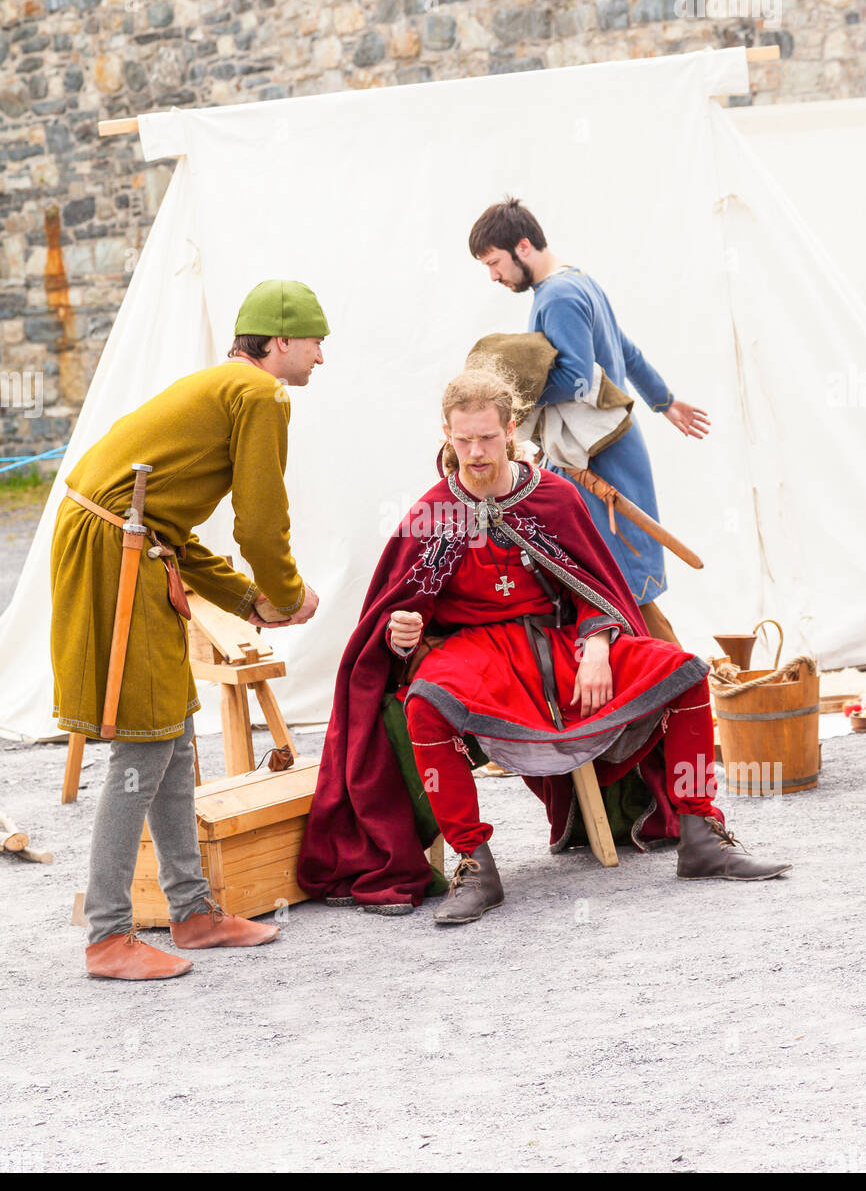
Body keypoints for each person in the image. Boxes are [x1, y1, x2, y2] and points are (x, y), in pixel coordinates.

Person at [298, 367, 790, 922]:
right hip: (477, 655)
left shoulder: (554, 496)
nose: (476, 452)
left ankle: (701, 834)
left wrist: (599, 645)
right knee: (425, 706)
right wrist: (401, 634)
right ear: (446, 432)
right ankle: (475, 864)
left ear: (510, 428)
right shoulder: (432, 514)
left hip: (563, 644)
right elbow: (401, 610)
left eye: (487, 437)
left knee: (685, 673)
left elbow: (598, 587)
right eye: (463, 440)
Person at [50, 278, 326, 979]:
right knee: (143, 746)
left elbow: (167, 526)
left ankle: (193, 913)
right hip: (114, 553)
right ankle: (108, 936)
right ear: (283, 342)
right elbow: (261, 520)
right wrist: (287, 595)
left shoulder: (223, 386)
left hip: (133, 545)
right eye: (317, 342)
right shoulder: (261, 394)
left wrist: (245, 599)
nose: (322, 357)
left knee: (171, 733)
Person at [468, 196, 710, 645]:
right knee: (610, 580)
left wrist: (508, 400)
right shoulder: (578, 281)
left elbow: (577, 379)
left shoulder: (557, 296)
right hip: (606, 448)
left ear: (523, 246)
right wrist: (665, 401)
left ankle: (673, 685)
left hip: (595, 456)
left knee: (612, 581)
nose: (494, 276)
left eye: (495, 262)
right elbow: (625, 348)